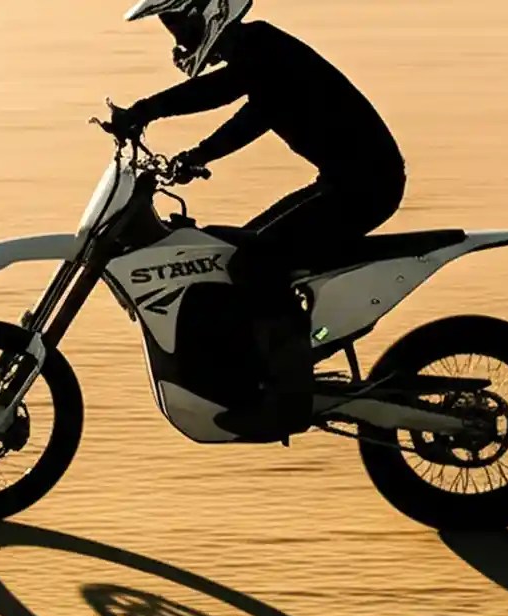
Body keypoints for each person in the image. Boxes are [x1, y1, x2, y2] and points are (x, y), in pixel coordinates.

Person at [112, 0, 407, 442]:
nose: (175, 35)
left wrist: (145, 111)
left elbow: (225, 96)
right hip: (344, 183)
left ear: (206, 12)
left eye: (176, 22)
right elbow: (254, 112)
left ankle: (288, 399)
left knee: (255, 264)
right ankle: (260, 370)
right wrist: (196, 156)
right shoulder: (259, 53)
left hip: (363, 188)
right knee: (239, 250)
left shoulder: (263, 48)